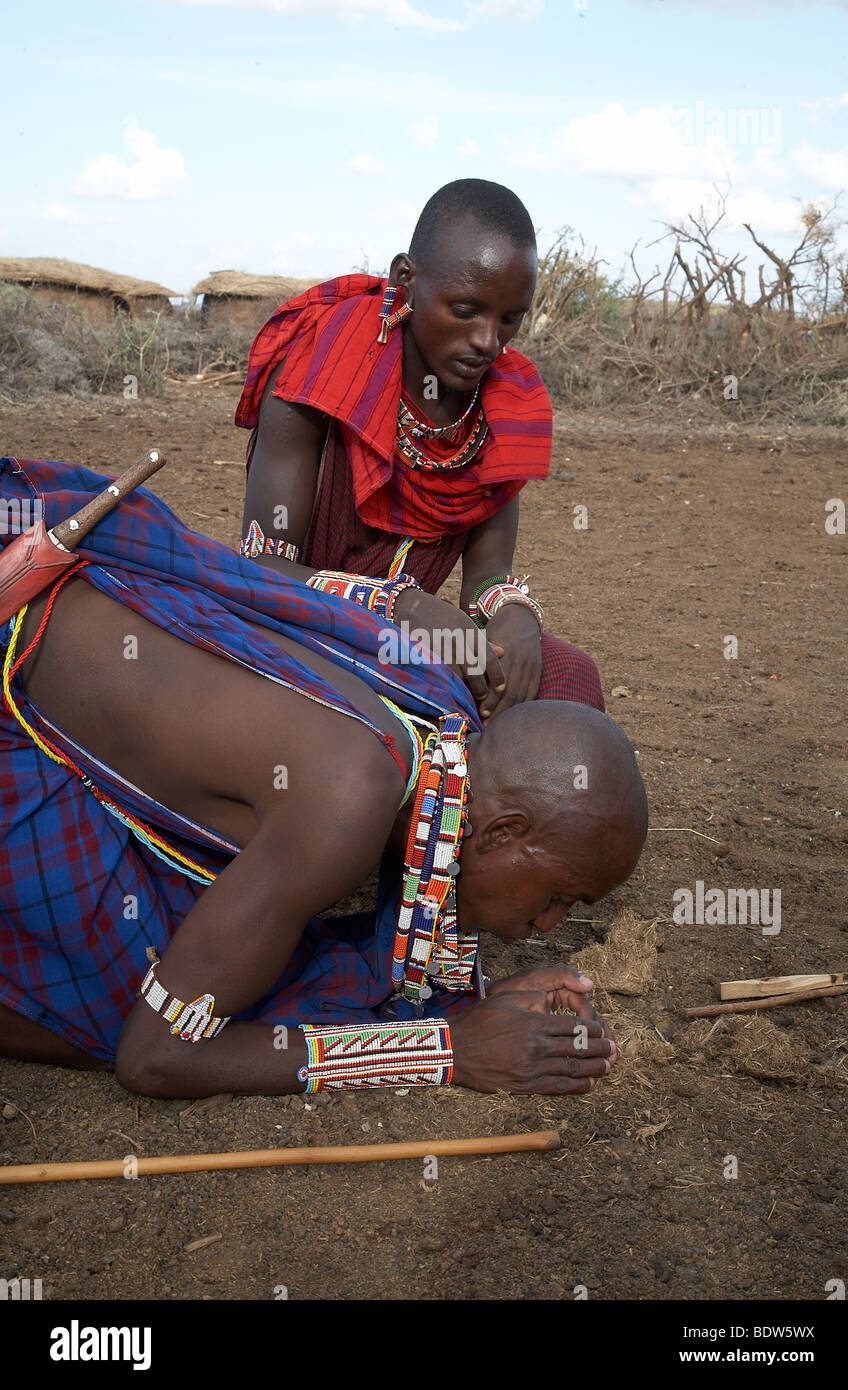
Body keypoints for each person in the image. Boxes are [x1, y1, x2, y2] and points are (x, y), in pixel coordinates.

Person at [0, 458, 646, 1100]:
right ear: (503, 830)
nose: (546, 926)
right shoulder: (349, 799)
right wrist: (447, 1051)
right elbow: (155, 1055)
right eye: (560, 896)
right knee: (117, 998)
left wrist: (469, 1002)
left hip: (58, 586)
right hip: (16, 662)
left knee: (238, 955)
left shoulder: (437, 703)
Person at [235, 178, 605, 725]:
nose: (488, 341)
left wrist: (514, 614)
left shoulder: (503, 410)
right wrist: (402, 607)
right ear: (405, 279)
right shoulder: (321, 371)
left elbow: (484, 583)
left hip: (416, 647)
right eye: (466, 310)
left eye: (510, 318)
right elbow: (261, 569)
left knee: (568, 675)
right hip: (299, 635)